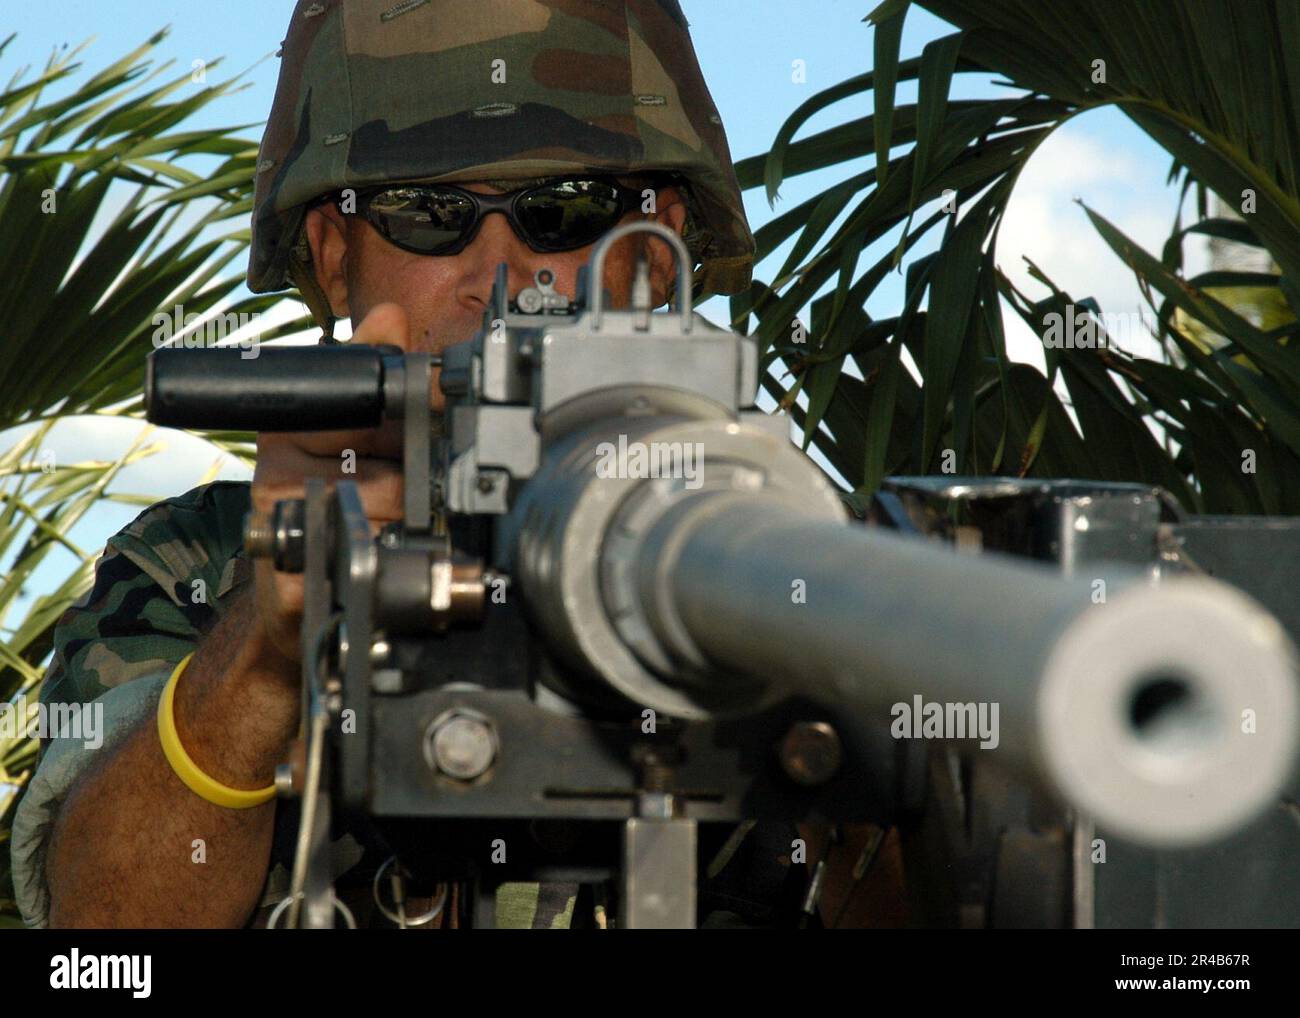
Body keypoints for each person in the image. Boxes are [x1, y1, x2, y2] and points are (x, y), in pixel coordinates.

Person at [11, 0, 898, 928]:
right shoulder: (193, 568)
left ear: (660, 254)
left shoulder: (799, 548)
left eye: (565, 210)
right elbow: (103, 941)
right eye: (428, 215)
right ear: (336, 254)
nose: (502, 276)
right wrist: (262, 657)